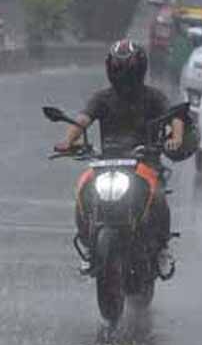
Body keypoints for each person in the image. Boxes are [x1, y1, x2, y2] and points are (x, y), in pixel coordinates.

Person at [55, 40, 185, 273]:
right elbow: (83, 120)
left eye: (128, 69)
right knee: (83, 187)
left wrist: (175, 137)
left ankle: (162, 247)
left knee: (158, 195)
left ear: (140, 69)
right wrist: (68, 141)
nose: (124, 74)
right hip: (107, 162)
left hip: (145, 162)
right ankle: (88, 243)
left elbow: (174, 116)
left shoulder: (153, 97)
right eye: (119, 68)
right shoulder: (102, 99)